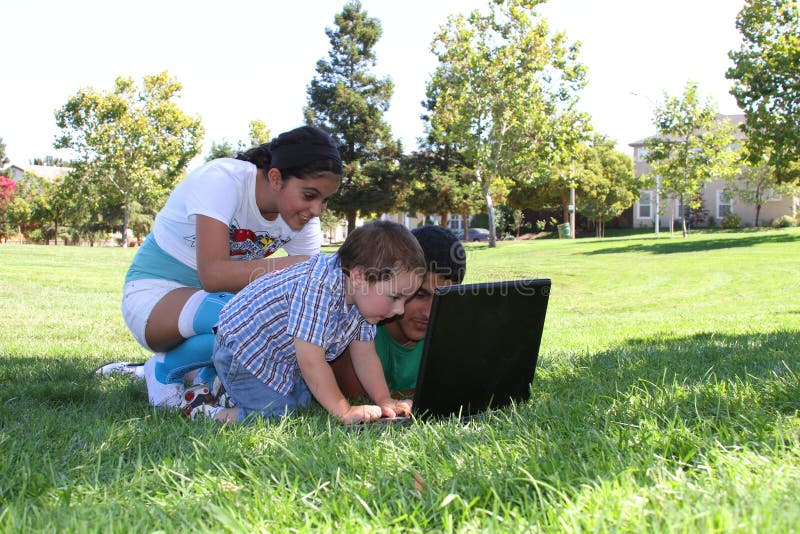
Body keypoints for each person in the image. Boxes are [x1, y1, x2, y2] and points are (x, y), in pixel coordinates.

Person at [119, 125, 343, 409]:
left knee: (281, 325)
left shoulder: (302, 218)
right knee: (248, 320)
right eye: (310, 195)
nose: (316, 210)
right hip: (155, 296)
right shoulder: (222, 180)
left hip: (218, 306)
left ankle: (209, 377)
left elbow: (309, 291)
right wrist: (294, 265)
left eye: (324, 200)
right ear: (276, 178)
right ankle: (163, 369)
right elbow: (213, 276)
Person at [197, 220, 426, 425]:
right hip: (244, 350)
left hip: (280, 356)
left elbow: (365, 355)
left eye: (405, 300)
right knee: (276, 414)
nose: (399, 310)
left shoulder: (363, 298)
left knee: (302, 404)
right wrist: (344, 411)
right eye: (394, 297)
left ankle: (224, 388)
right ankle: (205, 410)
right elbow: (311, 362)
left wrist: (384, 399)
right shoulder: (318, 288)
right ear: (359, 276)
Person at [330, 225, 466, 398]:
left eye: (443, 298)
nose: (429, 313)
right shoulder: (359, 320)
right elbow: (357, 397)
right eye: (420, 294)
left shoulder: (449, 331)